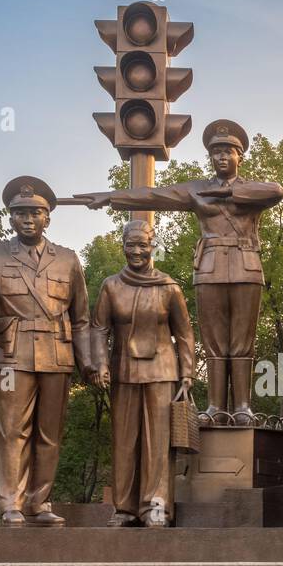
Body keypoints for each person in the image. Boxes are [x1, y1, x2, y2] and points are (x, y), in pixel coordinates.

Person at [76, 121, 282, 426]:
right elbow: (152, 195)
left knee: (242, 341)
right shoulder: (196, 189)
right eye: (216, 153)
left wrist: (226, 192)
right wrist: (110, 197)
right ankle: (214, 406)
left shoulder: (249, 189)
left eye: (228, 152)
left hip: (245, 265)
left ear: (240, 156)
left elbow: (275, 191)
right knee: (214, 342)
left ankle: (241, 407)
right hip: (209, 267)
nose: (221, 158)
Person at [0, 176, 95, 527]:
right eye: (19, 212)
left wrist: (89, 362)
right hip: (11, 355)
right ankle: (11, 504)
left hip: (56, 353)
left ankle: (39, 502)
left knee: (49, 432)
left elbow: (82, 318)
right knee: (11, 430)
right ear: (10, 218)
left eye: (34, 212)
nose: (26, 218)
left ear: (47, 218)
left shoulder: (68, 260)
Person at [91, 221, 196, 527]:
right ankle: (123, 508)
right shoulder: (111, 286)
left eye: (142, 245)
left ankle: (156, 507)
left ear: (153, 247)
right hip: (123, 371)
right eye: (130, 245)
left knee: (158, 443)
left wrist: (186, 374)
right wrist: (100, 364)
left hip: (162, 371)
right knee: (124, 442)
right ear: (122, 246)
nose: (136, 251)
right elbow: (99, 330)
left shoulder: (168, 287)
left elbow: (185, 334)